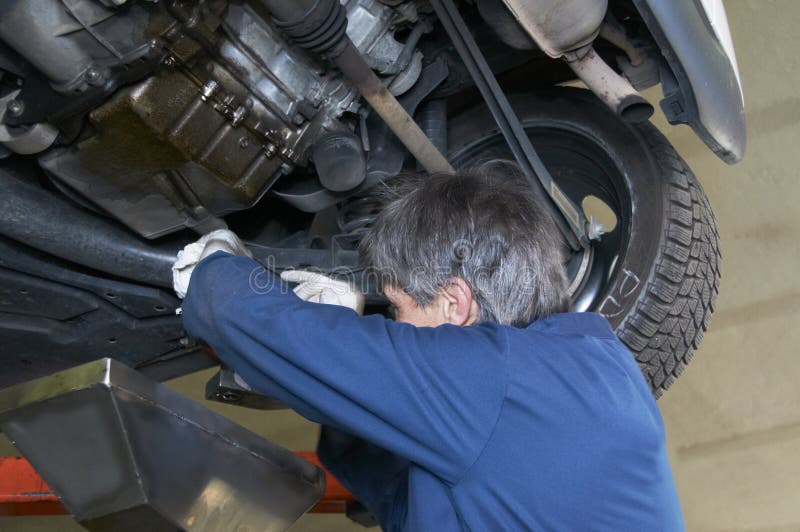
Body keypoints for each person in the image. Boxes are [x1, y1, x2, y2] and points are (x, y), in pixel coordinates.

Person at [175, 166, 684, 531]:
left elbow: (265, 328)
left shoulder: (497, 380)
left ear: (454, 304)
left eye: (396, 309)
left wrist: (214, 268)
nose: (394, 325)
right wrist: (343, 401)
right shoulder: (593, 377)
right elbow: (412, 504)